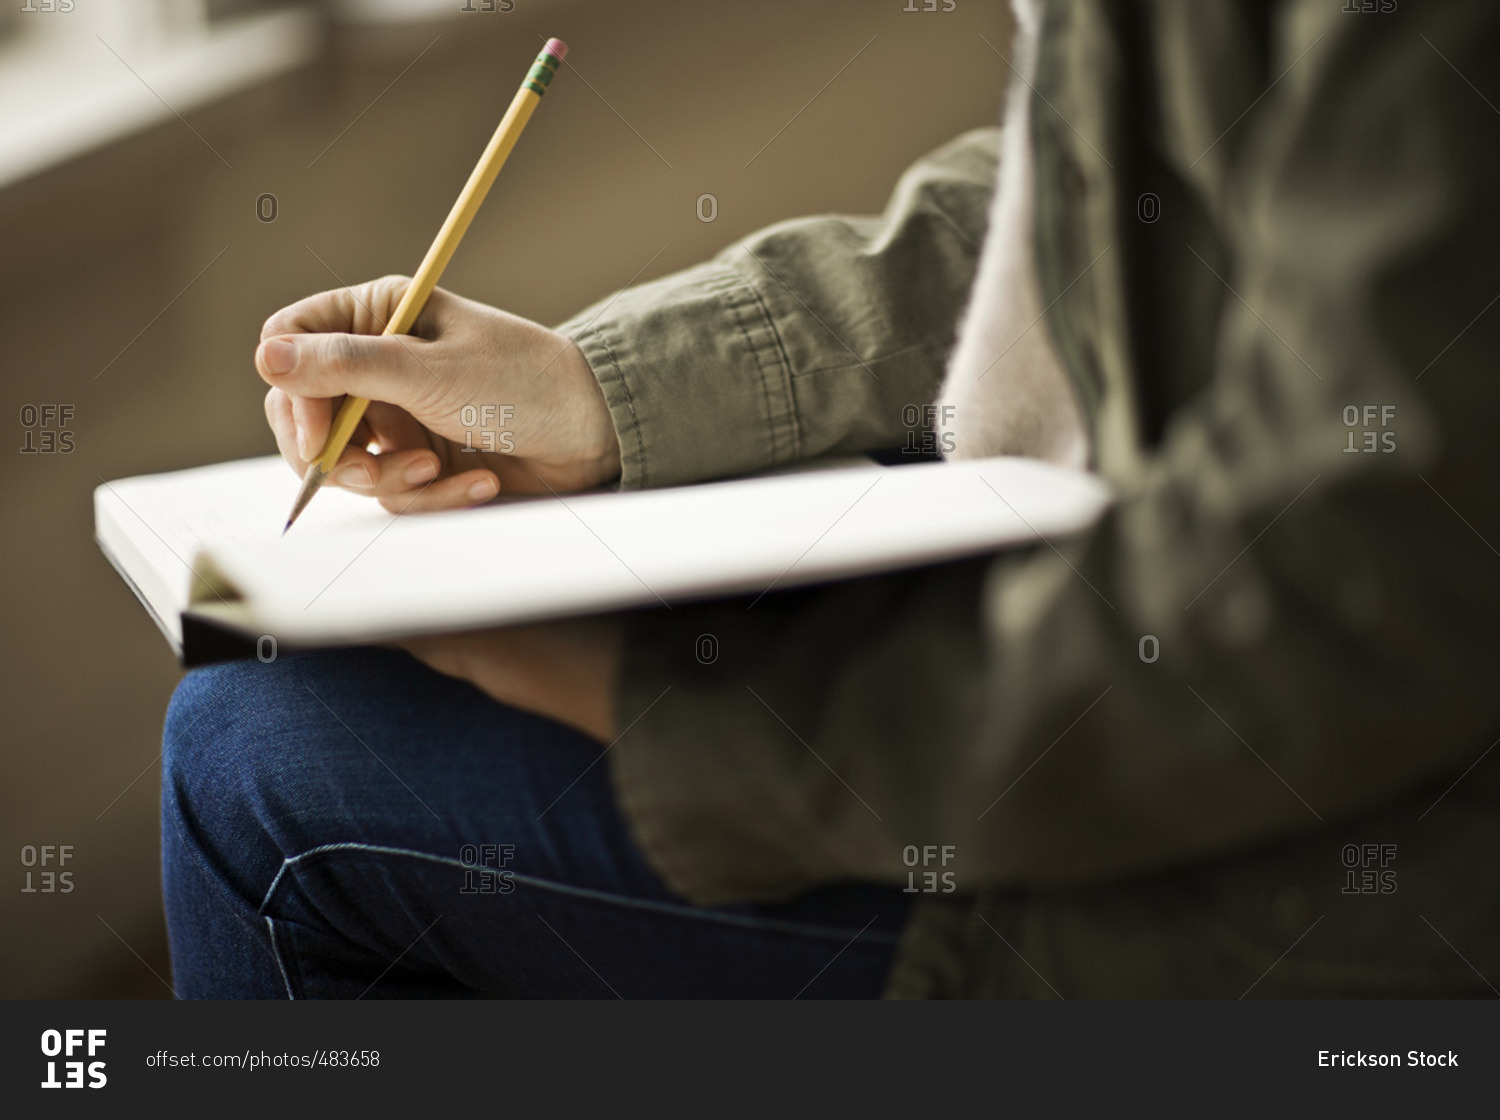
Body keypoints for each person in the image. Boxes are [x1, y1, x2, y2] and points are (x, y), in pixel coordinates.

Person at [164, 0, 1500, 998]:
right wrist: (599, 391)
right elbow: (1104, 189)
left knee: (253, 766)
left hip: (1350, 886)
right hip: (1167, 550)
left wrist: (708, 718)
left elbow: (1368, 565)